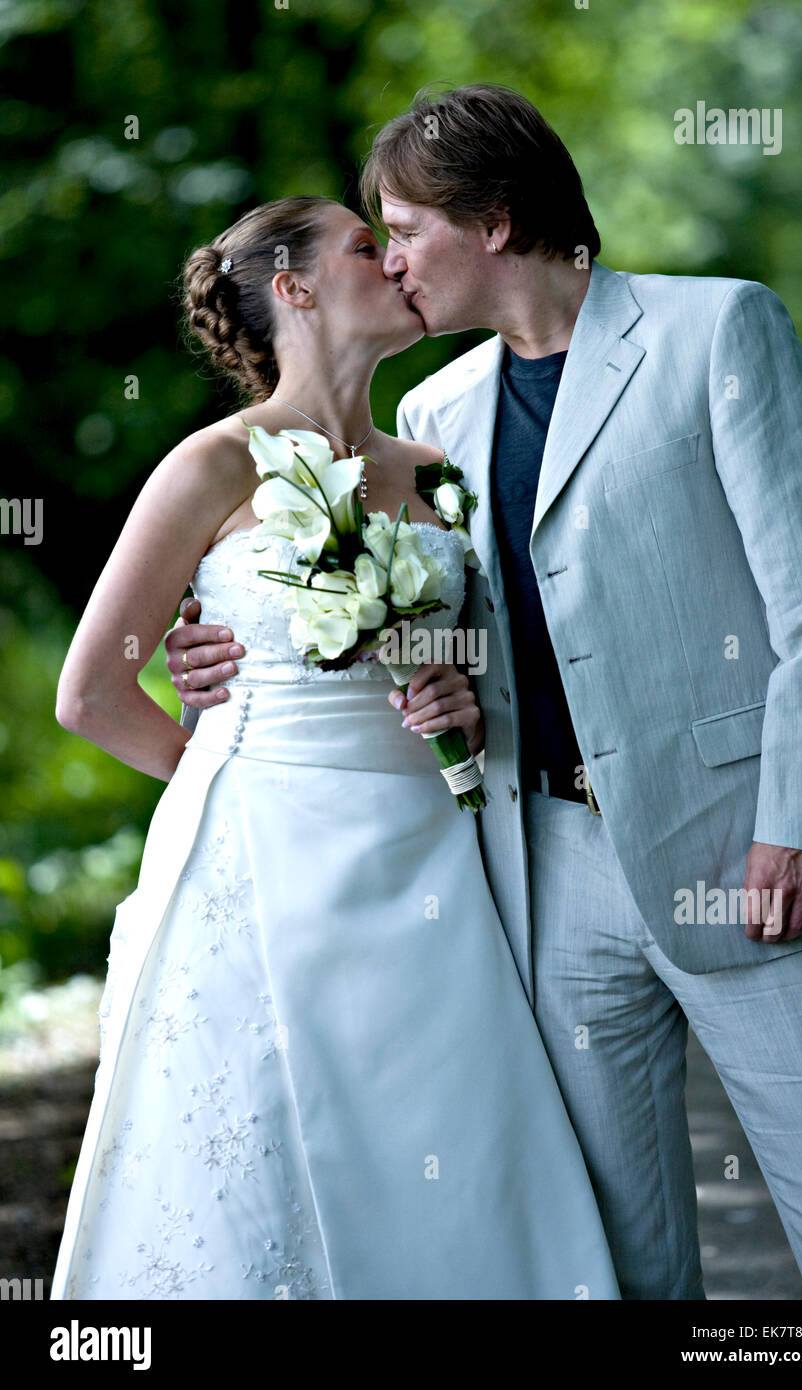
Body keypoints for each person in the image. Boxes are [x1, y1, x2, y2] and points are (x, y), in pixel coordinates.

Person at [173, 85, 802, 1301]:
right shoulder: (437, 415)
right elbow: (463, 633)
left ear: (492, 222)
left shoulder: (719, 330)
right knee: (620, 1259)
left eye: (402, 227)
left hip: (749, 851)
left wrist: (797, 823)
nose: (388, 262)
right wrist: (232, 642)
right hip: (543, 879)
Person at [49, 193, 620, 1300]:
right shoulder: (212, 465)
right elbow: (89, 691)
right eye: (368, 246)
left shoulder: (435, 463)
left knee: (442, 1123)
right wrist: (229, 761)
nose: (398, 261)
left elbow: (478, 647)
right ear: (293, 287)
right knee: (262, 1139)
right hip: (262, 855)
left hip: (431, 853)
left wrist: (461, 690)